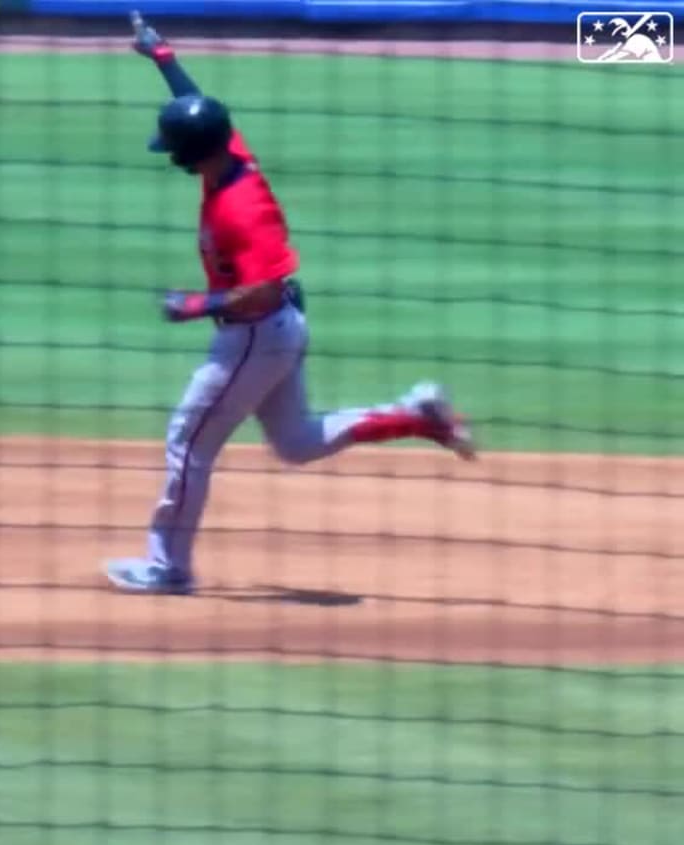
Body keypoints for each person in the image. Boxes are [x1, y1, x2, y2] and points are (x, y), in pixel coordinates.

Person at [102, 14, 476, 596]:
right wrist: (162, 56)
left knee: (188, 442)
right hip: (277, 330)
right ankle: (418, 415)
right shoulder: (227, 156)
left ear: (187, 154)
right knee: (297, 442)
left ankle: (167, 568)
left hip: (255, 334)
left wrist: (198, 304)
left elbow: (266, 288)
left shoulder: (239, 209)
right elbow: (199, 105)